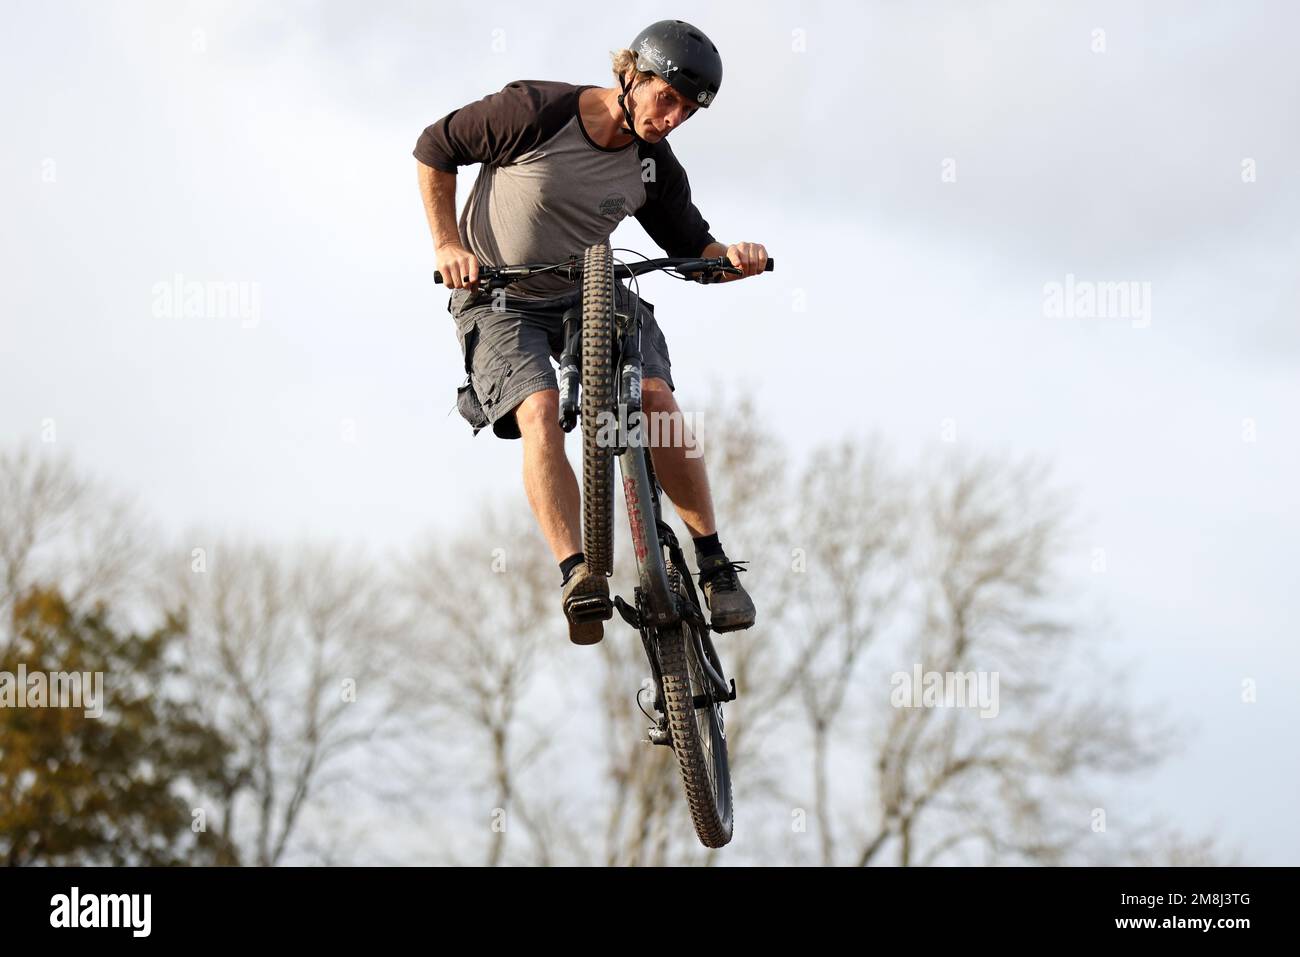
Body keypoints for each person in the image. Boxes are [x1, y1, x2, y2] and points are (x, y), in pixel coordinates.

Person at [414, 20, 769, 645]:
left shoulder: (653, 166)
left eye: (687, 111)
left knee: (655, 401)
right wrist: (446, 242)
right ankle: (577, 573)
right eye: (667, 99)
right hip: (499, 296)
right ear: (630, 76)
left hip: (590, 291)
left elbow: (694, 252)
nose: (673, 118)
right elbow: (433, 148)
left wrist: (733, 260)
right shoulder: (534, 111)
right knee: (539, 407)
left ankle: (713, 562)